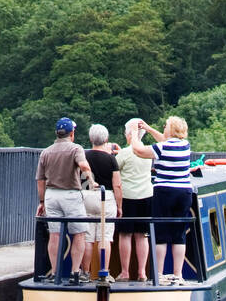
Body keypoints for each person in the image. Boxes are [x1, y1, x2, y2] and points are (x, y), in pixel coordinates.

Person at [130, 116, 193, 284]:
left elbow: (138, 150)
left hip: (165, 192)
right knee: (179, 235)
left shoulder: (162, 148)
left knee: (161, 234)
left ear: (171, 129)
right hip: (184, 193)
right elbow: (164, 140)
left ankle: (159, 274)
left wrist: (135, 133)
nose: (164, 128)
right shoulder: (185, 146)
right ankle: (178, 275)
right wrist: (149, 129)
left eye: (165, 126)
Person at [35, 117, 93, 283]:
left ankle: (54, 272)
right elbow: (83, 165)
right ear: (72, 133)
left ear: (57, 133)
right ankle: (75, 271)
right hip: (70, 195)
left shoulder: (46, 152)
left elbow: (40, 180)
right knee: (79, 233)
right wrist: (90, 179)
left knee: (55, 234)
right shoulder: (76, 149)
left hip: (51, 195)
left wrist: (42, 202)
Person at [81, 123, 122, 281]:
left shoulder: (84, 156)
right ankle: (104, 272)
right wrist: (119, 206)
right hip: (106, 198)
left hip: (87, 195)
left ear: (91, 139)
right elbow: (117, 185)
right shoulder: (111, 159)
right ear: (106, 139)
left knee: (88, 238)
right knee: (104, 237)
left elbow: (81, 180)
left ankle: (85, 272)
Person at [116, 117, 153, 281]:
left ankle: (125, 272)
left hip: (128, 197)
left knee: (125, 235)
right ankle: (142, 272)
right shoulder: (148, 152)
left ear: (130, 134)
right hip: (146, 196)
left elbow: (115, 169)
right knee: (142, 235)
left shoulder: (124, 153)